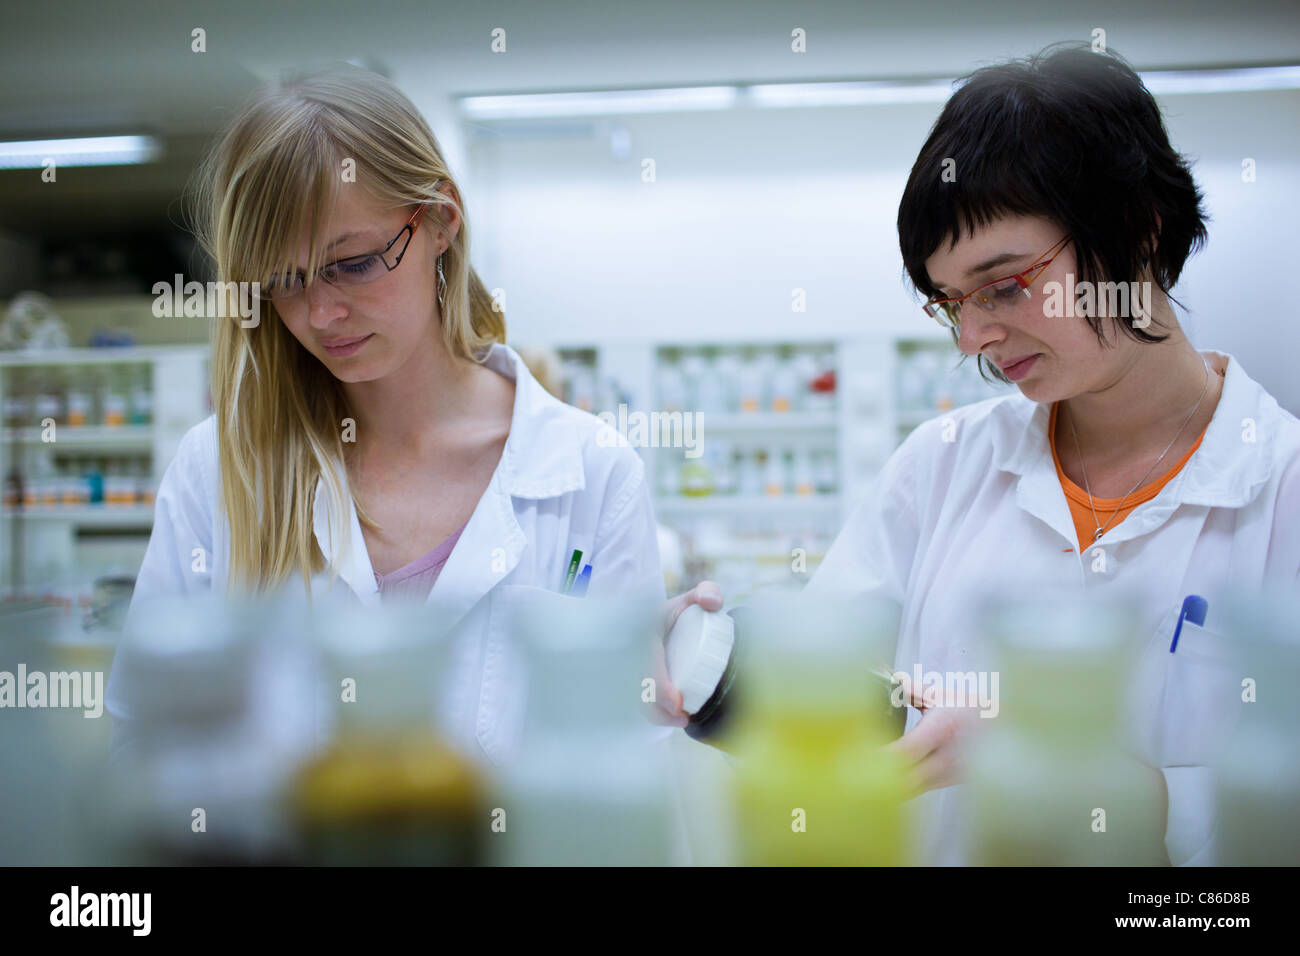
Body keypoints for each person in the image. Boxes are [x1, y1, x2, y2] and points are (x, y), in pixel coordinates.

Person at [657, 45, 1300, 865]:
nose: (974, 338)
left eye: (1003, 286)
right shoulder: (942, 466)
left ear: (1141, 230)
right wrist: (702, 667)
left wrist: (1087, 780)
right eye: (950, 304)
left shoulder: (1282, 491)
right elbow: (823, 687)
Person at [109, 66, 663, 765]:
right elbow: (147, 740)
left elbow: (626, 770)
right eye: (283, 281)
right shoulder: (219, 472)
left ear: (439, 221)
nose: (321, 313)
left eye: (355, 263)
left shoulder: (593, 476)